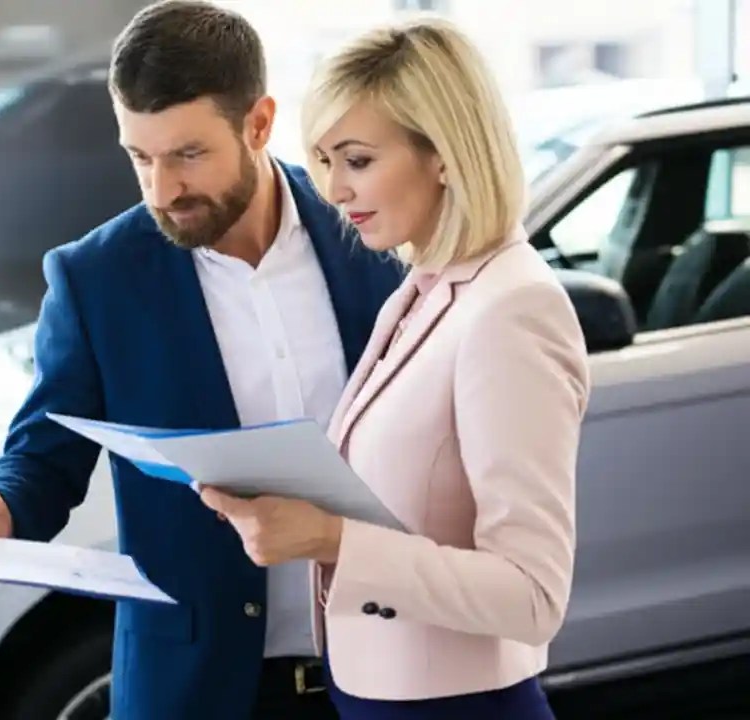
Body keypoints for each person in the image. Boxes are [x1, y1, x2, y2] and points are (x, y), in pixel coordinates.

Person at [0, 2, 402, 718]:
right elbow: (43, 456)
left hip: (386, 675)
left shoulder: (370, 234)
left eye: (188, 154)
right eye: (140, 157)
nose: (161, 190)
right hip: (196, 692)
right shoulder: (96, 278)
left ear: (259, 123)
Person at [199, 16, 591, 719]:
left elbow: (533, 595)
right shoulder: (426, 288)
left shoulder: (511, 308)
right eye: (323, 162)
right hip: (381, 695)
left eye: (357, 160)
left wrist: (330, 538)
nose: (334, 191)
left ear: (443, 152)